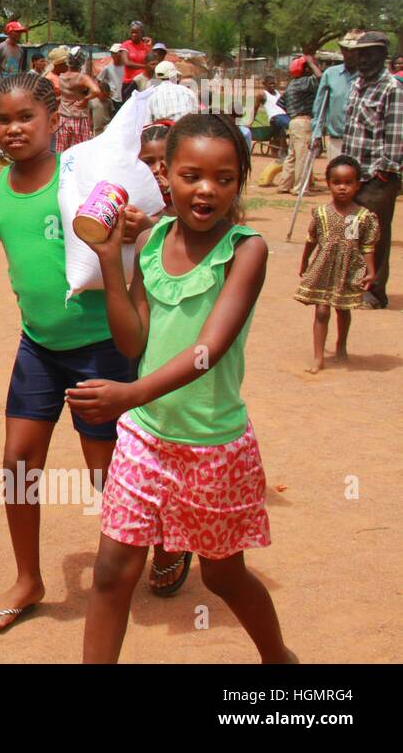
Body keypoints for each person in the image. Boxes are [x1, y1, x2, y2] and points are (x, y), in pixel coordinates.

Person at [67, 113, 295, 664]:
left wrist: (128, 396)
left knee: (223, 575)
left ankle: (279, 658)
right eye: (191, 175)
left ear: (240, 180)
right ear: (165, 174)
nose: (206, 190)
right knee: (111, 572)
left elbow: (207, 350)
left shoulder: (246, 250)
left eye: (224, 177)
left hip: (213, 444)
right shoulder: (148, 240)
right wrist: (107, 259)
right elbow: (131, 342)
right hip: (146, 438)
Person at [0, 72, 166, 635]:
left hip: (100, 349)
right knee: (18, 464)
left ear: (55, 120)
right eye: (2, 119)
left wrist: (134, 229)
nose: (12, 130)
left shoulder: (81, 176)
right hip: (39, 347)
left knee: (108, 476)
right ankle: (28, 578)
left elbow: (137, 233)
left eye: (25, 117)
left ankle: (157, 546)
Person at [296, 155, 379, 374]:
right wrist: (304, 261)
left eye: (348, 183)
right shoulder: (321, 213)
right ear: (328, 183)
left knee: (343, 309)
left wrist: (370, 271)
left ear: (357, 185)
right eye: (337, 182)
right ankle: (318, 356)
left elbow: (366, 246)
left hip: (347, 269)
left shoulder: (361, 217)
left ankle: (341, 346)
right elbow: (311, 240)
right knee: (321, 311)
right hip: (323, 268)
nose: (342, 187)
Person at [340, 30, 402, 309]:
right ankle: (355, 285)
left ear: (382, 55)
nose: (362, 59)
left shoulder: (392, 89)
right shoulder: (357, 84)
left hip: (378, 177)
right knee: (351, 232)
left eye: (368, 53)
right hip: (353, 175)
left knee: (375, 236)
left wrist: (384, 173)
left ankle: (374, 292)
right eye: (359, 53)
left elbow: (396, 135)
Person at [273, 55, 322, 195]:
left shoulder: (292, 84)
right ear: (305, 68)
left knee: (292, 156)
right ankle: (300, 187)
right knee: (303, 156)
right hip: (304, 121)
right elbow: (321, 78)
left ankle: (284, 185)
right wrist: (312, 63)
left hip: (293, 121)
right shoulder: (305, 82)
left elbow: (280, 103)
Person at [313, 44, 357, 161]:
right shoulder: (330, 74)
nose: (351, 54)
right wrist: (316, 133)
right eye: (347, 50)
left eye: (355, 50)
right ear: (342, 51)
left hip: (360, 141)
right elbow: (319, 107)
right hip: (336, 139)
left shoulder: (366, 76)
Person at [55, 47, 105, 151]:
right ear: (82, 62)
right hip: (79, 118)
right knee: (79, 152)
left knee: (62, 152)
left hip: (64, 118)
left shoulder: (62, 77)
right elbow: (97, 91)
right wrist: (85, 100)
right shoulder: (82, 78)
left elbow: (64, 96)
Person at [147, 61, 199, 126]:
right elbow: (196, 115)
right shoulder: (188, 92)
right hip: (186, 129)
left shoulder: (150, 94)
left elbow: (147, 121)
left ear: (157, 76)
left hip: (162, 131)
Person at [0, 21, 27, 94]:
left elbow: (19, 68)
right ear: (9, 32)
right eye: (17, 32)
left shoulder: (20, 50)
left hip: (13, 87)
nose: (19, 34)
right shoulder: (0, 48)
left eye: (20, 32)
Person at [95, 44, 126, 127]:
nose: (113, 55)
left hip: (124, 98)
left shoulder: (126, 67)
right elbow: (99, 80)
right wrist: (104, 92)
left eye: (115, 53)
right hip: (112, 99)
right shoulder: (108, 68)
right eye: (112, 53)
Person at [120, 21, 152, 93]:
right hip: (129, 82)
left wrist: (149, 46)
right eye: (132, 32)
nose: (134, 34)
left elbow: (151, 61)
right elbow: (127, 63)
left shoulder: (144, 46)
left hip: (142, 82)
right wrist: (145, 66)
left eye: (136, 32)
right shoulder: (125, 45)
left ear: (141, 33)